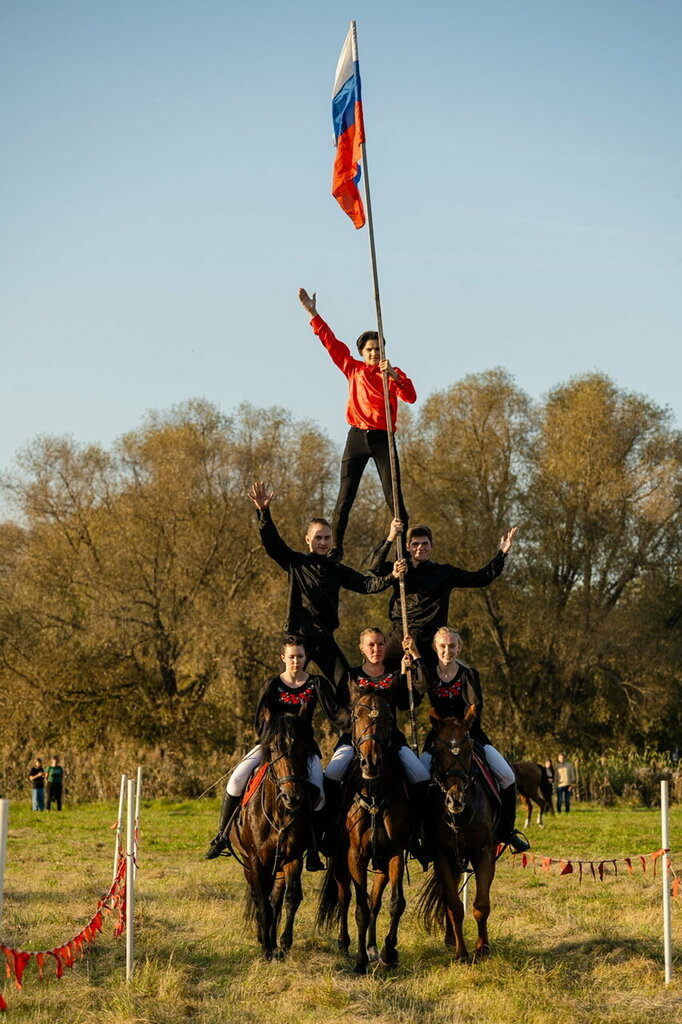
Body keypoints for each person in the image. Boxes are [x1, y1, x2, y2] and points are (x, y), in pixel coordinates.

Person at [205, 637, 347, 869]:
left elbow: (335, 714)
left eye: (300, 656)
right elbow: (260, 720)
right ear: (283, 658)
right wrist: (272, 741)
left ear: (306, 657)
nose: (296, 661)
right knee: (237, 778)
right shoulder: (272, 684)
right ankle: (221, 836)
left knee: (319, 791)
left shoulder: (316, 684)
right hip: (272, 747)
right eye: (291, 656)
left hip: (303, 750)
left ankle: (314, 847)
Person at [298, 288, 416, 558]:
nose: (374, 353)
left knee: (394, 497)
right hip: (357, 438)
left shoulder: (393, 374)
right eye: (370, 350)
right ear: (362, 352)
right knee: (345, 497)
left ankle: (403, 551)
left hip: (383, 439)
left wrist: (395, 377)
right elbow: (331, 343)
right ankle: (336, 548)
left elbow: (410, 397)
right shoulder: (354, 369)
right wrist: (313, 313)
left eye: (378, 349)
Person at [248, 481, 394, 688]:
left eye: (327, 538)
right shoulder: (296, 563)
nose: (323, 542)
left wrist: (393, 576)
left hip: (325, 639)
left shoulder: (337, 570)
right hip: (298, 640)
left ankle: (346, 720)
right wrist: (264, 512)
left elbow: (367, 585)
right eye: (318, 538)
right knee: (289, 686)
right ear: (308, 539)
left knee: (347, 686)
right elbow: (272, 544)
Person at [324, 627, 431, 866]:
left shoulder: (395, 674)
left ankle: (415, 835)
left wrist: (412, 661)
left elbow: (410, 699)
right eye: (371, 645)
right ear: (361, 647)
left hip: (390, 743)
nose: (376, 649)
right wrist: (359, 734)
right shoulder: (350, 678)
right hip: (355, 742)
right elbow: (339, 712)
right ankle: (329, 832)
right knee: (331, 774)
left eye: (381, 644)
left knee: (422, 776)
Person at [419, 626, 529, 854]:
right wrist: (412, 659)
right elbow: (414, 690)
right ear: (435, 648)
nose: (447, 650)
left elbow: (474, 707)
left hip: (469, 734)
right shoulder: (428, 673)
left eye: (452, 645)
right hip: (438, 738)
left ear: (459, 647)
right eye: (442, 646)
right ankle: (419, 832)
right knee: (418, 776)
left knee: (507, 775)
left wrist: (462, 728)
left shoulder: (468, 674)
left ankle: (508, 831)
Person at [370, 518, 517, 667]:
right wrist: (391, 537)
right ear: (408, 547)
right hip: (401, 633)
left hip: (431, 637)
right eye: (415, 544)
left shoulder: (444, 573)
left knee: (433, 679)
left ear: (432, 546)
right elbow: (375, 567)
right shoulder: (399, 568)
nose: (420, 548)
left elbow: (480, 578)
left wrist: (502, 554)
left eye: (424, 544)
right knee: (382, 668)